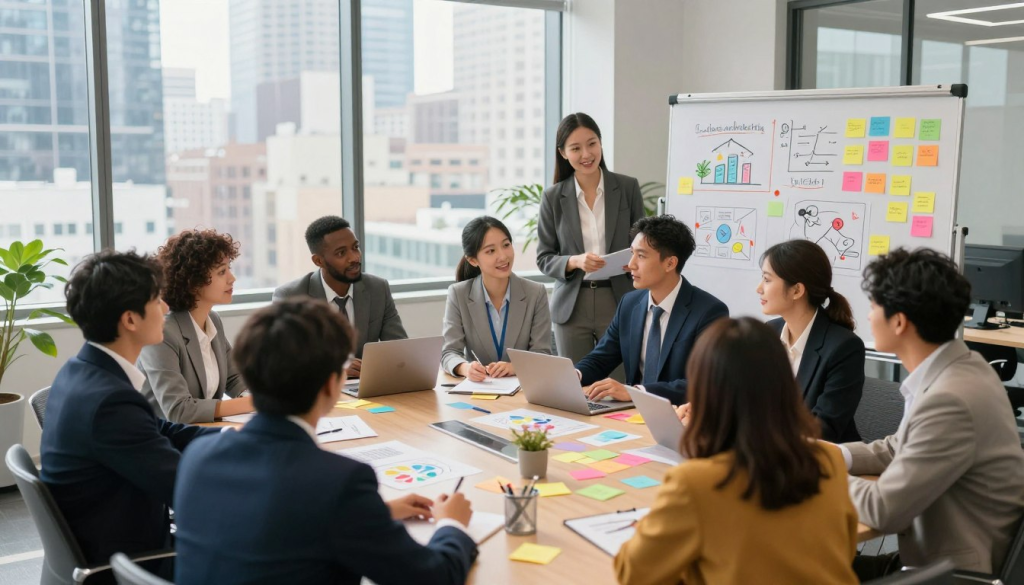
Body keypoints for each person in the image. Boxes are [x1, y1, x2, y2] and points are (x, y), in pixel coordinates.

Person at [173, 298, 477, 585]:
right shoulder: (339, 483)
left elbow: (274, 524)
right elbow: (433, 577)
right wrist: (452, 524)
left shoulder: (198, 455)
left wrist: (374, 513)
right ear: (332, 385)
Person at [615, 317, 859, 585]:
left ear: (706, 391)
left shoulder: (695, 483)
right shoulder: (830, 460)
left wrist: (648, 527)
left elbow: (633, 575)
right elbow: (844, 553)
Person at [842, 248, 1024, 579]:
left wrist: (819, 473)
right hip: (937, 559)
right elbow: (900, 448)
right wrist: (835, 454)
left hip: (954, 576)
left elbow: (883, 510)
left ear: (899, 321)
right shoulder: (964, 369)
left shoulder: (950, 399)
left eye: (872, 307)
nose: (868, 317)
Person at [39, 251, 220, 577]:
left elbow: (158, 429)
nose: (166, 309)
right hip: (136, 563)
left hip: (119, 539)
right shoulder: (109, 402)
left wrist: (234, 438)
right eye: (157, 301)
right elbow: (185, 488)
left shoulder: (81, 371)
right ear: (130, 319)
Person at [576, 215, 728, 405]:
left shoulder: (709, 311)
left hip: (678, 415)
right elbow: (601, 359)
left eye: (641, 256)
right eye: (632, 253)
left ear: (670, 263)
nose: (631, 264)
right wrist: (573, 375)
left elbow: (703, 383)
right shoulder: (629, 304)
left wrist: (636, 392)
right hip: (630, 414)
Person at [537, 112, 645, 368]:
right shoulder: (553, 197)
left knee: (619, 386)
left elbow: (644, 243)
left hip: (619, 297)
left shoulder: (627, 188)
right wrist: (574, 261)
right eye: (576, 148)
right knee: (575, 384)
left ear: (600, 143)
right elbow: (544, 258)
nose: (586, 154)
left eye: (592, 143)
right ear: (563, 153)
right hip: (573, 305)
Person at [138, 229, 254, 423]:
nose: (232, 278)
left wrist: (253, 395)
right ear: (193, 282)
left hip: (204, 432)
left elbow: (233, 378)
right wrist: (254, 403)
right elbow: (179, 410)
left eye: (229, 268)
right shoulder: (162, 332)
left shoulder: (212, 320)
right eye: (221, 271)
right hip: (165, 440)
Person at [273, 215, 407, 378]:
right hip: (316, 391)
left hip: (365, 389)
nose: (354, 257)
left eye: (355, 247)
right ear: (318, 261)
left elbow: (399, 350)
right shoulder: (291, 296)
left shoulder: (377, 288)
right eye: (341, 253)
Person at [758, 239, 865, 442]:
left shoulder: (844, 347)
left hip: (820, 462)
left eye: (767, 279)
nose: (759, 288)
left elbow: (823, 429)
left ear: (797, 290)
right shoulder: (769, 332)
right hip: (769, 455)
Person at [441, 216, 552, 380]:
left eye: (506, 245)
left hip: (524, 390)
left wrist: (514, 367)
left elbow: (542, 354)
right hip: (479, 390)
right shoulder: (458, 294)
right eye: (490, 251)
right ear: (473, 260)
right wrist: (465, 368)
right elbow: (449, 353)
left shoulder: (535, 293)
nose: (503, 256)